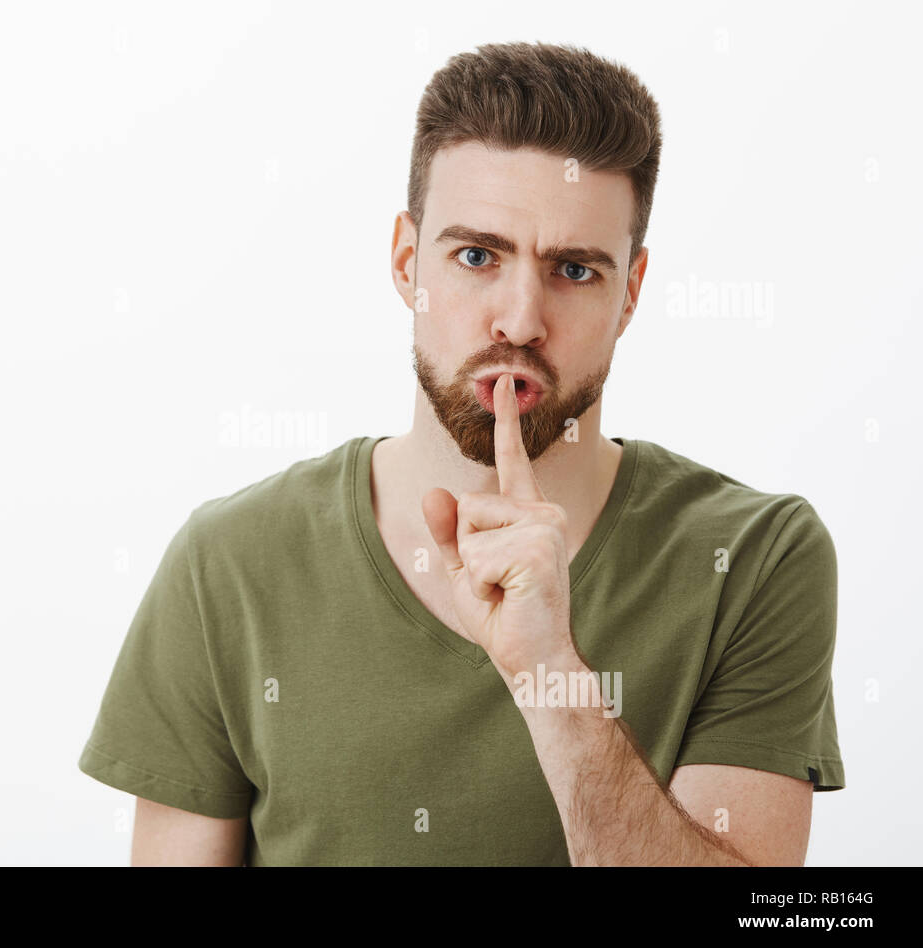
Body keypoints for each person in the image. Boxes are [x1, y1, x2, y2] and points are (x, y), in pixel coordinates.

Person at [77, 41, 844, 866]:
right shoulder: (228, 562)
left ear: (631, 293)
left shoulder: (756, 558)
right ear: (409, 263)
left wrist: (549, 672)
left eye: (575, 270)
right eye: (476, 257)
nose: (518, 320)